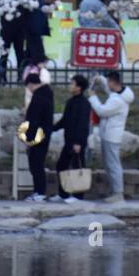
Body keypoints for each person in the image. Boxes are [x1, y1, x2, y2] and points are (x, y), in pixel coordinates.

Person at [89, 70, 134, 204]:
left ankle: (118, 193)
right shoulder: (120, 94)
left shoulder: (118, 101)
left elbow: (102, 111)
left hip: (111, 136)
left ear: (114, 83)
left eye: (109, 82)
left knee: (113, 165)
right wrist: (100, 79)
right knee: (109, 164)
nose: (107, 84)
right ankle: (115, 191)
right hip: (108, 134)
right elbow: (109, 90)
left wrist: (93, 97)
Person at [52, 75, 92, 203]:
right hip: (68, 141)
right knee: (61, 166)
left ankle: (78, 195)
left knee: (78, 167)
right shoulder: (71, 101)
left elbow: (82, 125)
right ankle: (63, 193)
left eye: (73, 84)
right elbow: (65, 120)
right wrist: (53, 128)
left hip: (77, 142)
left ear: (79, 87)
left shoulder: (84, 104)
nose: (70, 86)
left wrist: (78, 142)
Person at [22, 72, 55, 202]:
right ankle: (38, 191)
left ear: (30, 85)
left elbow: (33, 120)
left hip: (37, 136)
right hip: (44, 134)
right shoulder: (47, 94)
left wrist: (28, 138)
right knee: (38, 163)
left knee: (36, 164)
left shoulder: (38, 97)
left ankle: (40, 192)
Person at [21, 0, 51, 69]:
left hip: (38, 25)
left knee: (32, 50)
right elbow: (26, 3)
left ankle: (30, 69)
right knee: (37, 49)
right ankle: (37, 67)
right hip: (32, 25)